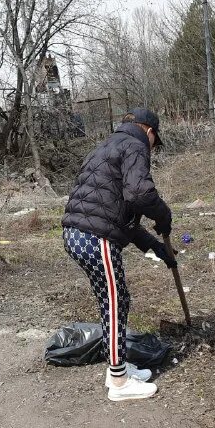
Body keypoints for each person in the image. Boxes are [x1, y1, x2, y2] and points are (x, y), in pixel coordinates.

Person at [62, 108, 174, 401]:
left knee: (114, 299)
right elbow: (141, 194)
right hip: (93, 238)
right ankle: (120, 383)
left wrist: (155, 245)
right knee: (115, 302)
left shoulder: (107, 145)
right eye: (154, 141)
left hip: (79, 233)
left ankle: (118, 369)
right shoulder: (136, 145)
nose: (153, 147)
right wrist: (164, 215)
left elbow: (120, 213)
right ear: (149, 131)